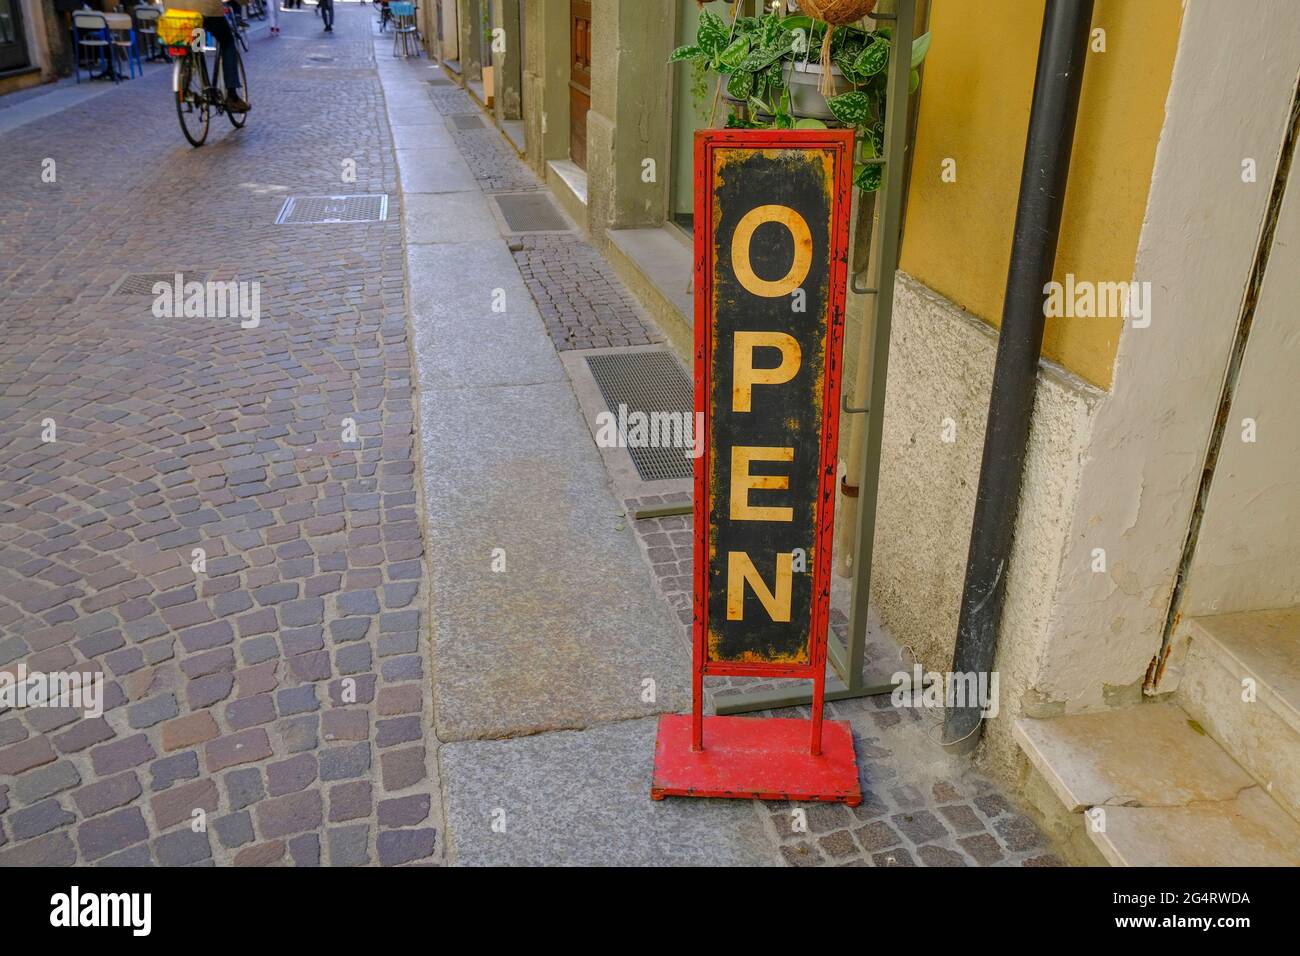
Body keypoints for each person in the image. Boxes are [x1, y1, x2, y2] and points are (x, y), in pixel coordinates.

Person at [167, 1, 249, 112]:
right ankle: (232, 96)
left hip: (175, 11)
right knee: (227, 43)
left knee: (195, 44)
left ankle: (185, 87)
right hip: (205, 10)